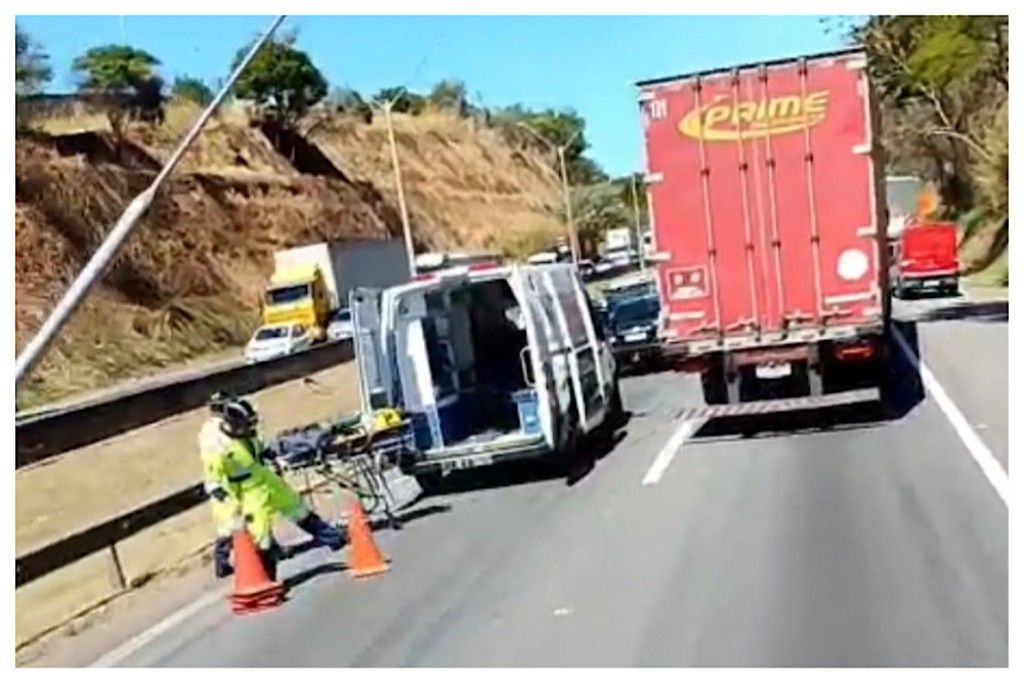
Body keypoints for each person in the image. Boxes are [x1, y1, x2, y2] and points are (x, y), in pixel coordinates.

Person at [200, 396, 347, 580]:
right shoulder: (219, 448)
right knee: (260, 535)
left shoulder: (248, 436)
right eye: (248, 424)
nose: (252, 428)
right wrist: (226, 499)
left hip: (267, 480)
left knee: (298, 509)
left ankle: (332, 538)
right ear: (235, 425)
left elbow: (261, 450)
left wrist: (274, 458)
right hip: (249, 491)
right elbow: (213, 480)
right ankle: (265, 576)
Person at [198, 391, 236, 578]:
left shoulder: (211, 428)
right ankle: (222, 561)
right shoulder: (216, 430)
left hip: (223, 480)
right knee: (230, 525)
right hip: (223, 482)